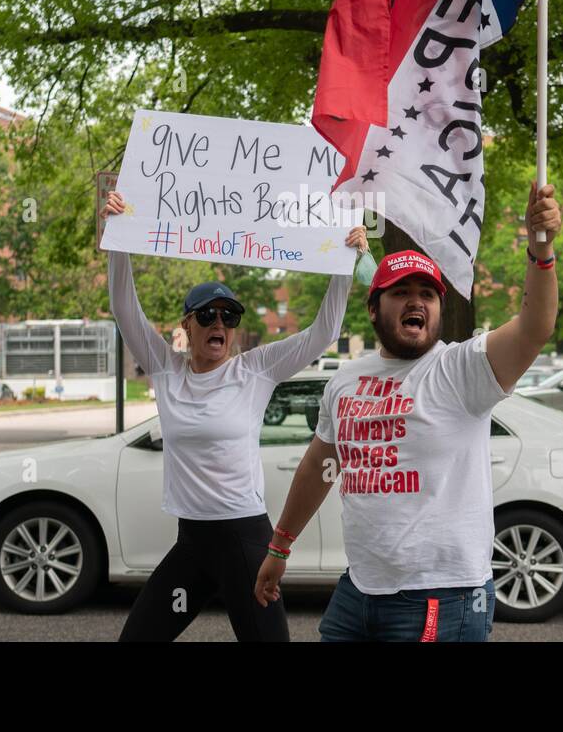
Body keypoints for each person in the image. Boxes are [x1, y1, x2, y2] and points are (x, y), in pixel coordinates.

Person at [255, 180, 563, 642]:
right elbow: (320, 465)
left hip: (443, 596)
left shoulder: (462, 369)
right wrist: (279, 547)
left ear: (439, 309)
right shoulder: (345, 380)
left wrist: (540, 253)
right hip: (358, 591)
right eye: (400, 292)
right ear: (374, 308)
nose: (416, 300)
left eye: (428, 293)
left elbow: (535, 327)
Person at [101, 190, 367, 641]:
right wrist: (119, 235)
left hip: (245, 541)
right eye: (207, 315)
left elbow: (324, 333)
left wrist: (344, 264)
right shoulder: (167, 369)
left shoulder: (255, 371)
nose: (219, 324)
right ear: (188, 325)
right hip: (192, 544)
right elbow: (125, 307)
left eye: (229, 316)